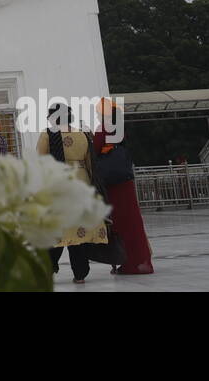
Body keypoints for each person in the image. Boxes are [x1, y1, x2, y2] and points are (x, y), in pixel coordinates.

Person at [37, 103, 108, 283]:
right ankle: (80, 274)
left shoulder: (48, 134)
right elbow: (91, 164)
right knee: (79, 232)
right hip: (81, 184)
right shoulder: (83, 135)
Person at [96, 98, 153, 275]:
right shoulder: (120, 129)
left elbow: (95, 150)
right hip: (126, 181)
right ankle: (142, 260)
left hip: (113, 184)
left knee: (120, 223)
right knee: (134, 222)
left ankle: (128, 262)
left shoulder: (103, 129)